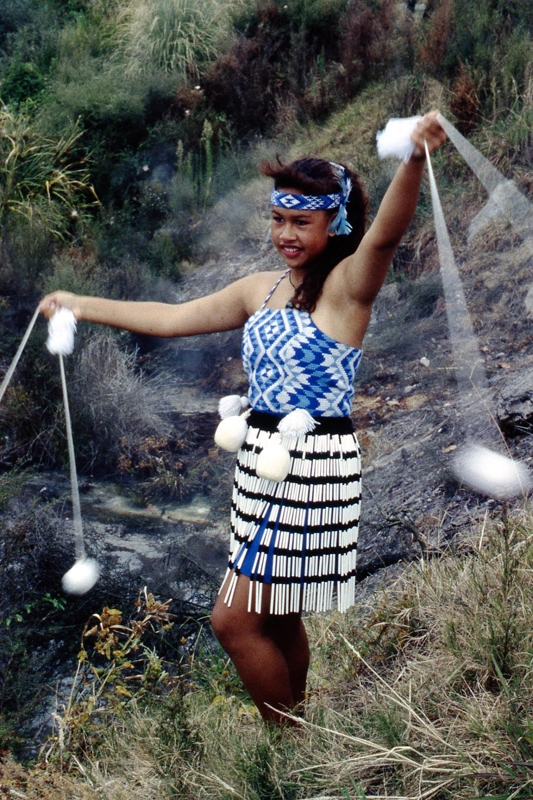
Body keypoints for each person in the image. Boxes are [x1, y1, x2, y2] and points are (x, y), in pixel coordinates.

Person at [40, 111, 446, 725]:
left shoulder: (346, 287)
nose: (285, 233)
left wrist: (414, 159)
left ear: (334, 224)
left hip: (310, 466)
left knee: (231, 621)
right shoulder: (261, 289)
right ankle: (303, 731)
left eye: (301, 222)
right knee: (276, 610)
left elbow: (385, 237)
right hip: (260, 462)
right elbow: (171, 317)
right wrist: (80, 304)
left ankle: (285, 745)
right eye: (278, 218)